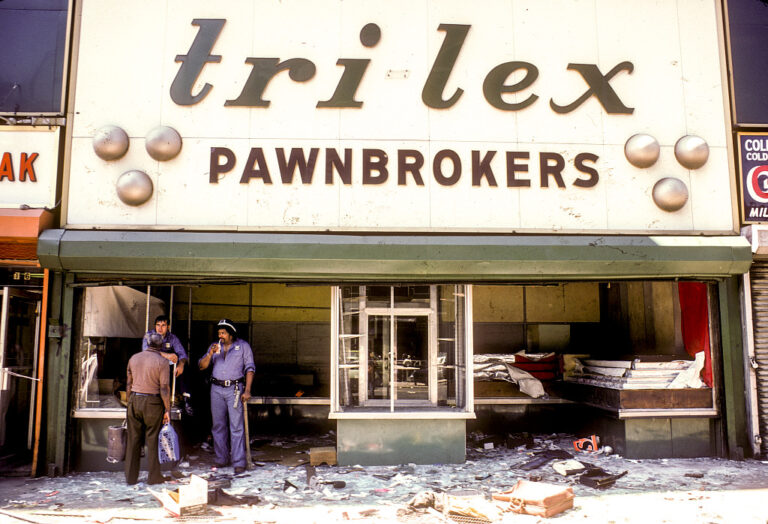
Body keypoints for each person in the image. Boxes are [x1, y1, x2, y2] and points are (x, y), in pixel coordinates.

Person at [197, 319, 254, 474]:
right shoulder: (214, 347)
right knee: (218, 425)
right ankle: (221, 459)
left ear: (231, 334)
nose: (220, 336)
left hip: (235, 388)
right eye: (219, 333)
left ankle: (238, 462)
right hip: (216, 388)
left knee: (236, 426)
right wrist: (210, 354)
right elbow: (201, 366)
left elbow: (250, 368)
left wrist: (247, 390)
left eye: (223, 333)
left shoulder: (243, 346)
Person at [125, 333, 171, 485]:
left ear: (147, 343)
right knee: (152, 440)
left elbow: (128, 384)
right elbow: (164, 388)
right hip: (152, 403)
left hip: (134, 400)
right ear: (161, 345)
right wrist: (167, 410)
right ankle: (154, 477)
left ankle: (130, 478)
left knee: (133, 440)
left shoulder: (134, 358)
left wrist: (130, 402)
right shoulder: (162, 362)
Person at [143, 315, 192, 415]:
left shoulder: (172, 337)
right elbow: (146, 352)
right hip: (151, 365)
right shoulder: (149, 335)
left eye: (163, 325)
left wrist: (181, 365)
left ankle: (186, 399)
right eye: (158, 325)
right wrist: (167, 355)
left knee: (185, 368)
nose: (160, 328)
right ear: (155, 326)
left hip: (165, 367)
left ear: (168, 327)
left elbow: (183, 355)